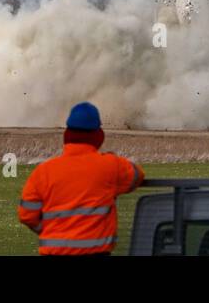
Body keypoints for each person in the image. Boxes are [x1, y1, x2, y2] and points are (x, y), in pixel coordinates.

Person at [17, 102, 145, 255]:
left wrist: (50, 229)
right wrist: (112, 160)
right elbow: (137, 175)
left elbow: (27, 215)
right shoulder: (110, 165)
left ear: (67, 135)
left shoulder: (43, 171)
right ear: (98, 135)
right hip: (96, 252)